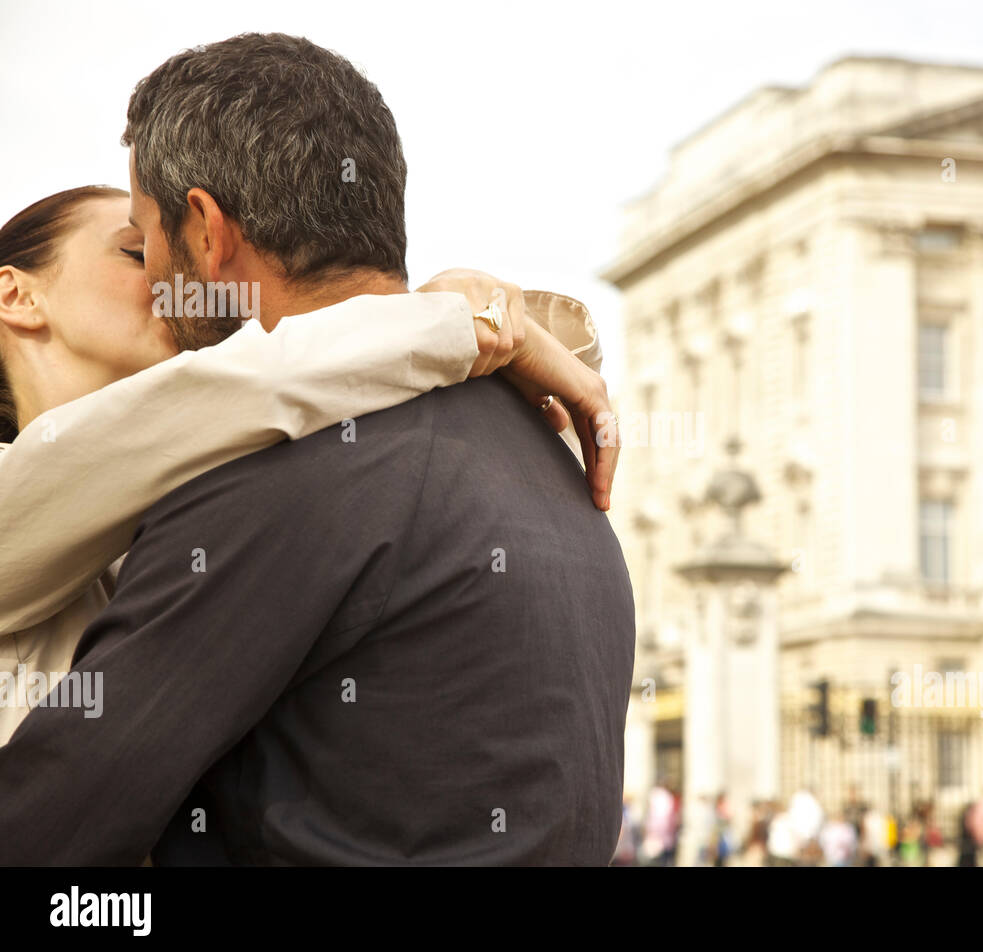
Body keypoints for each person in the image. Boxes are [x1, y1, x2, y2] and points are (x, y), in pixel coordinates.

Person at [0, 33, 635, 865]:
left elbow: (49, 829)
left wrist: (472, 323)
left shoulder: (270, 478)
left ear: (207, 230)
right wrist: (463, 322)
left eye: (143, 237)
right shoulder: (541, 459)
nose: (154, 270)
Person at [0, 189, 613, 747]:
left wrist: (481, 320)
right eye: (137, 252)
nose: (170, 273)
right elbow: (264, 380)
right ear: (15, 295)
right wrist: (457, 320)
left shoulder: (201, 480)